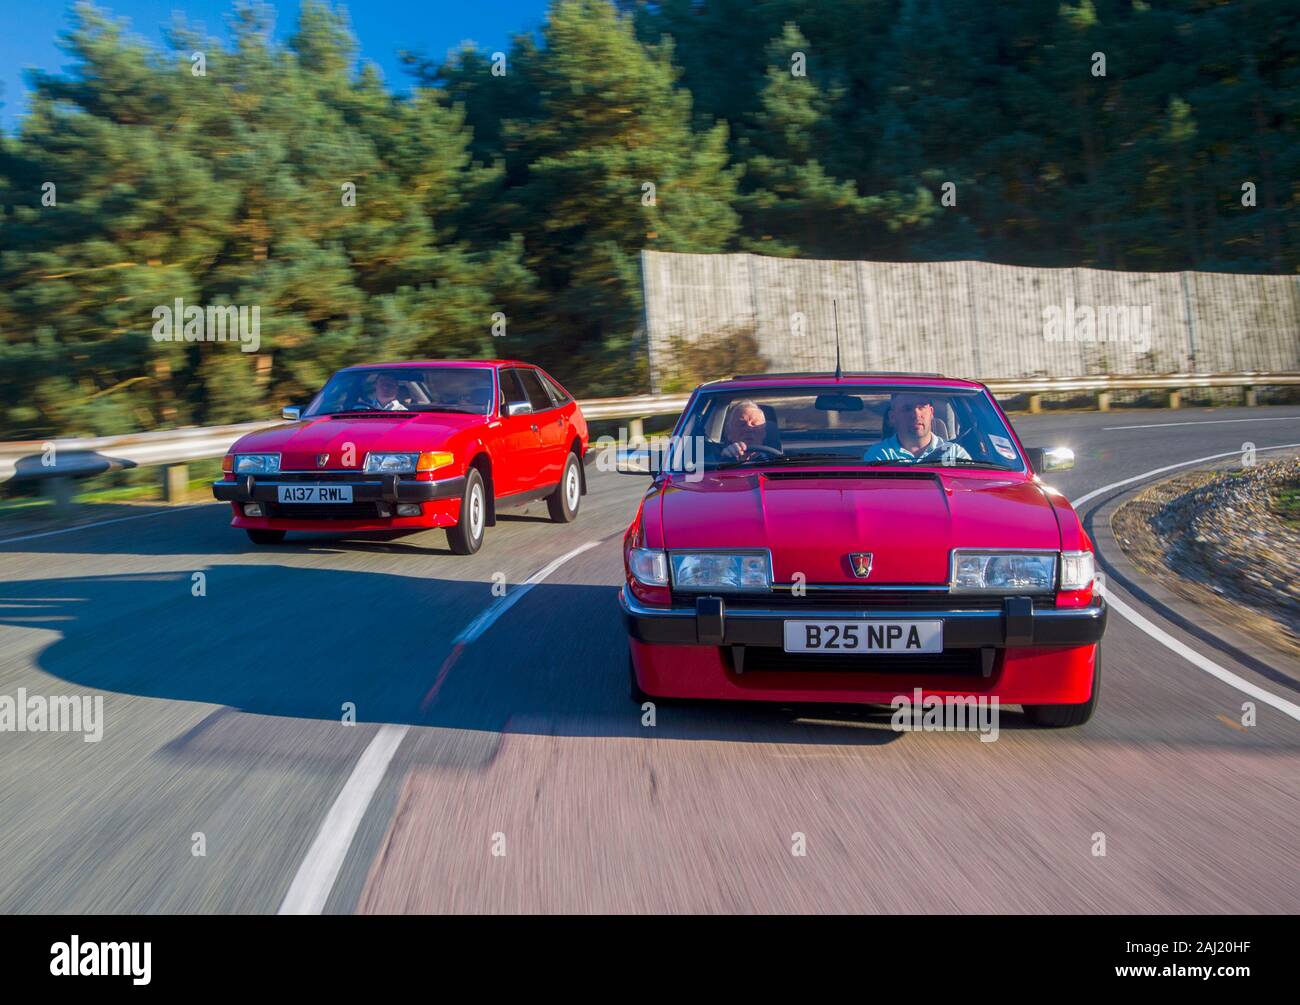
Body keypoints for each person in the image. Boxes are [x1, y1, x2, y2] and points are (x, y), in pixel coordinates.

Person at [865, 392, 970, 464]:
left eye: (921, 407)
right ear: (893, 417)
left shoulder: (955, 454)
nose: (916, 414)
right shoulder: (879, 456)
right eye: (907, 409)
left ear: (931, 412)